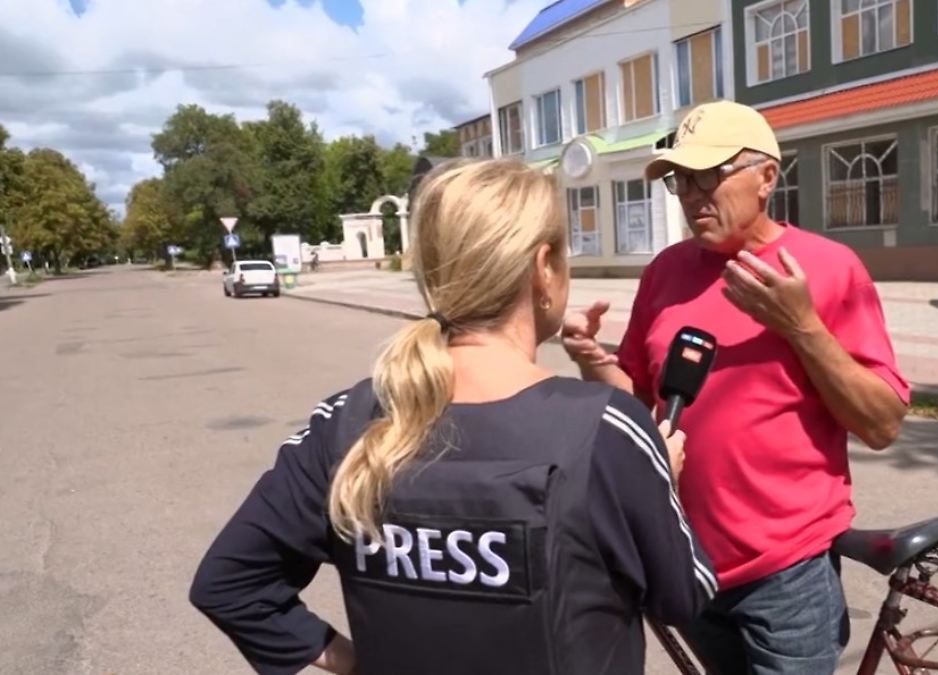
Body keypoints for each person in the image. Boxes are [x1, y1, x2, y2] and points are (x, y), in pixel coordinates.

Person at [189, 158, 717, 675]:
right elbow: (685, 596)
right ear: (542, 269)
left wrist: (360, 665)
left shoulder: (345, 420)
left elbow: (231, 582)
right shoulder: (607, 429)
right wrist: (659, 485)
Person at [560, 100, 911, 674]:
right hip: (688, 557)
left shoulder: (828, 268)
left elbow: (882, 423)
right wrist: (592, 359)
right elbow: (640, 407)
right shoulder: (665, 272)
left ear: (766, 177)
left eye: (710, 175)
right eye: (681, 180)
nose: (694, 194)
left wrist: (800, 325)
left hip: (788, 573)